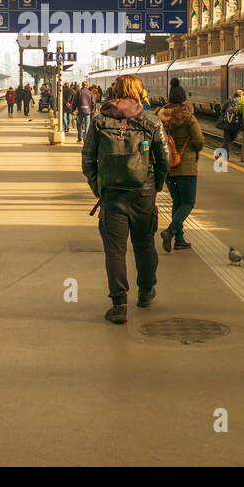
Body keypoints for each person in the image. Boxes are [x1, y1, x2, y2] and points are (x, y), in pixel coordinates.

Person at [82, 75, 168, 325]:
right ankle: (145, 291)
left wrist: (98, 188)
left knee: (115, 250)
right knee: (145, 244)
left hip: (112, 194)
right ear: (138, 93)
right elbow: (163, 158)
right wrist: (156, 185)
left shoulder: (99, 121)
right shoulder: (151, 121)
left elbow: (87, 159)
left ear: (114, 91)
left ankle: (119, 304)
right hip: (143, 192)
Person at [156, 78, 203, 253]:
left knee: (177, 201)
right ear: (183, 99)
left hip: (168, 166)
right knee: (188, 202)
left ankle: (180, 239)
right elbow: (199, 140)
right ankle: (171, 231)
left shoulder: (161, 117)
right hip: (186, 166)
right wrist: (194, 149)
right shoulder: (188, 118)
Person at [217, 89, 244, 157]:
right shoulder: (242, 103)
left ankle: (221, 152)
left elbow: (222, 111)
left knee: (227, 140)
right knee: (230, 139)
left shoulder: (229, 101)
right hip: (235, 125)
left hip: (226, 123)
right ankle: (225, 155)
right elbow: (243, 114)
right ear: (241, 96)